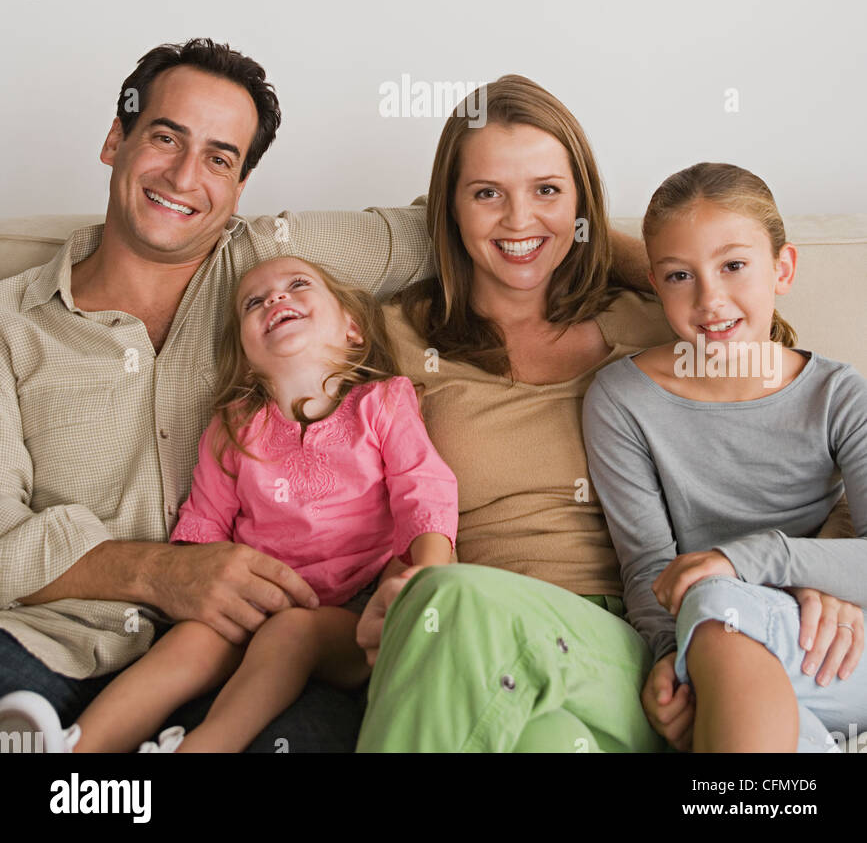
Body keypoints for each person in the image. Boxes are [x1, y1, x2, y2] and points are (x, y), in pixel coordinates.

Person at [0, 37, 646, 752]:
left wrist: (684, 269)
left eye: (219, 157)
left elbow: (497, 225)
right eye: (163, 137)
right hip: (57, 643)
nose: (186, 176)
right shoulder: (11, 330)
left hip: (292, 639)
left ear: (241, 185)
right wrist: (164, 572)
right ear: (115, 139)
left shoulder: (271, 263)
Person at [353, 78, 861, 753]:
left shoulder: (657, 321)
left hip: (618, 634)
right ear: (445, 208)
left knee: (453, 605)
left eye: (546, 191)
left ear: (583, 203)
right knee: (543, 737)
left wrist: (815, 574)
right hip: (474, 631)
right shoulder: (391, 334)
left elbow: (769, 372)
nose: (517, 220)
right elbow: (267, 276)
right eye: (485, 194)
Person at [0, 255, 457, 752]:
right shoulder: (234, 428)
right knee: (190, 641)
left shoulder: (382, 403)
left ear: (352, 328)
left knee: (291, 635)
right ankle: (77, 747)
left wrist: (425, 580)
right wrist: (200, 599)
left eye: (297, 285)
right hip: (253, 601)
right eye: (253, 303)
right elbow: (204, 524)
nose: (275, 299)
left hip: (357, 614)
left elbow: (424, 489)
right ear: (247, 356)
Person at [582, 162, 867, 753]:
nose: (710, 299)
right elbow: (647, 569)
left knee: (710, 594)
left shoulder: (839, 395)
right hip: (714, 653)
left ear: (782, 269)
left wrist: (741, 562)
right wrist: (669, 661)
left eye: (734, 265)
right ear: (656, 286)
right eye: (680, 275)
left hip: (839, 647)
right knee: (710, 605)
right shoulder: (621, 400)